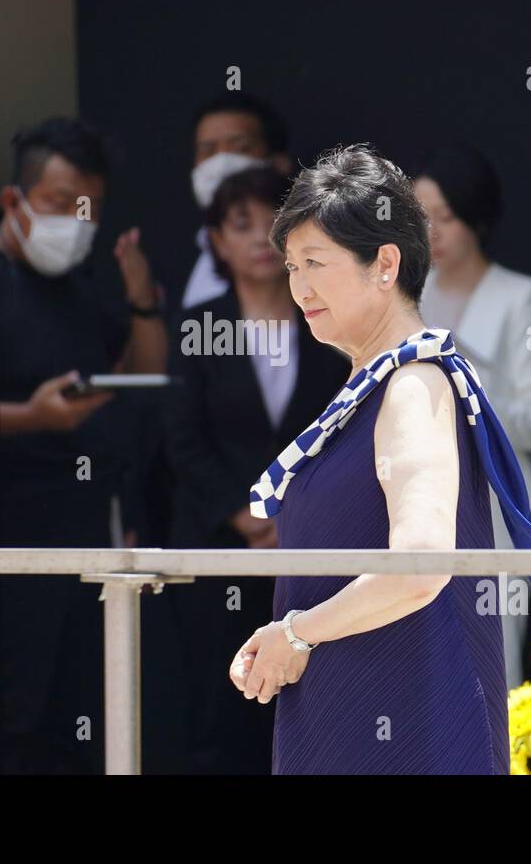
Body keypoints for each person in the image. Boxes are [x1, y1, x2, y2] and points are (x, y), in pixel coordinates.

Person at [230, 145, 531, 774]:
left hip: (406, 716)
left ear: (384, 264)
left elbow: (420, 566)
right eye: (291, 264)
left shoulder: (412, 386)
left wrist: (296, 633)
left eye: (315, 262)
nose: (298, 285)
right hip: (354, 704)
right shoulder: (383, 382)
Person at [0, 117, 166, 773]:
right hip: (6, 532)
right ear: (15, 201)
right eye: (61, 205)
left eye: (87, 208)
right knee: (17, 711)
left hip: (89, 527)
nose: (75, 221)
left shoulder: (83, 287)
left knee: (87, 712)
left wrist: (141, 297)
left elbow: (137, 376)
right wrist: (33, 418)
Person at [163, 167, 349, 773]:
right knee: (217, 707)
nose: (255, 238)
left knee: (309, 703)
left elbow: (344, 428)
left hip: (311, 550)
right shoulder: (198, 323)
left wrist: (296, 510)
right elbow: (181, 440)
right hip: (218, 550)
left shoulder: (330, 322)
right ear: (215, 240)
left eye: (268, 221)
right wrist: (242, 512)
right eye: (237, 224)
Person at [413, 144, 531, 690]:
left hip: (497, 518)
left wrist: (472, 382)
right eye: (420, 217)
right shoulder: (407, 295)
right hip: (416, 515)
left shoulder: (520, 298)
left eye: (446, 218)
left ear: (476, 217)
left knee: (495, 683)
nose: (432, 233)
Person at [177, 92, 293, 311]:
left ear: (279, 163)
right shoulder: (182, 257)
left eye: (240, 148)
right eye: (208, 151)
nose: (221, 162)